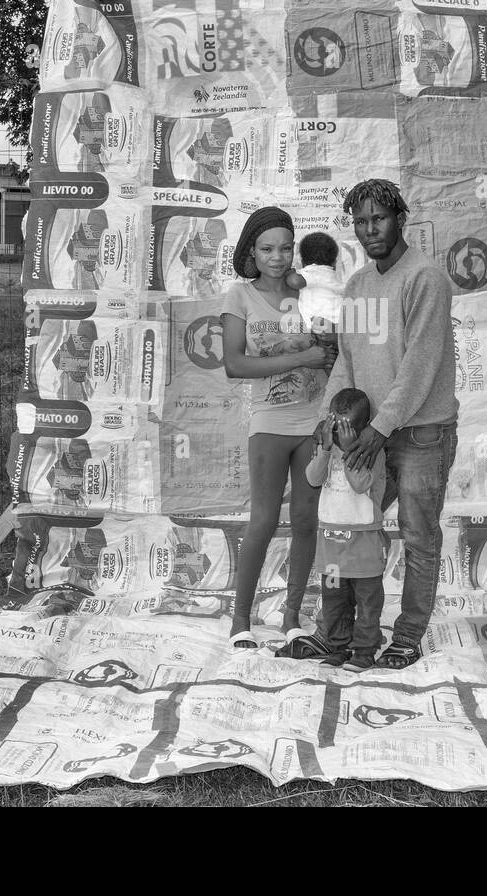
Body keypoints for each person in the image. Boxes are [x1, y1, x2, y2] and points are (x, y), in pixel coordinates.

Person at [291, 179, 459, 670]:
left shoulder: (424, 278)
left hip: (419, 432)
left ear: (400, 218)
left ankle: (407, 636)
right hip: (366, 436)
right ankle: (338, 634)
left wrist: (380, 429)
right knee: (344, 526)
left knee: (418, 534)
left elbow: (419, 366)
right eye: (361, 222)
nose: (370, 230)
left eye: (378, 219)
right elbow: (346, 361)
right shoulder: (359, 284)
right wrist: (328, 420)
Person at [221, 206, 337, 649]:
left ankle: (291, 616)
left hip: (313, 422)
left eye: (286, 248)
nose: (278, 257)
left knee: (306, 521)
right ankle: (240, 620)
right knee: (264, 521)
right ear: (252, 250)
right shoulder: (239, 296)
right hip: (269, 423)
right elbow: (234, 364)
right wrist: (300, 358)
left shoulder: (307, 293)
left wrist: (327, 343)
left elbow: (332, 343)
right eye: (268, 248)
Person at [303, 389, 389, 672]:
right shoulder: (326, 447)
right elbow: (313, 479)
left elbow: (361, 484)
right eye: (335, 426)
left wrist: (351, 448)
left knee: (367, 601)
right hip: (331, 545)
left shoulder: (370, 452)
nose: (340, 434)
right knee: (334, 601)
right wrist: (326, 450)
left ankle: (364, 651)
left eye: (347, 428)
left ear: (363, 427)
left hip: (363, 544)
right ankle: (339, 647)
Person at [284, 231, 344, 347]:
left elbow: (295, 281)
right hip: (337, 326)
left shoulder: (313, 272)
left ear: (303, 262)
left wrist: (289, 273)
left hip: (317, 327)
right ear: (334, 263)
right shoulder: (331, 276)